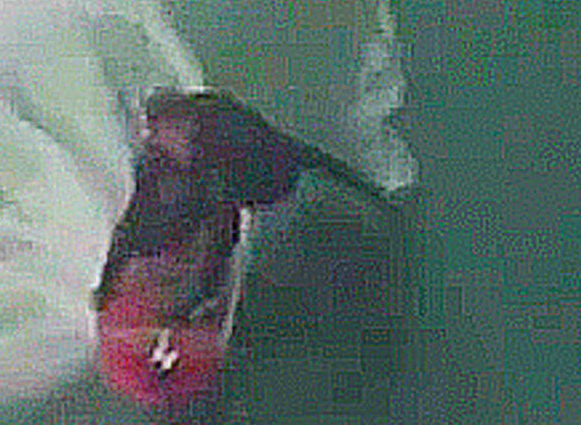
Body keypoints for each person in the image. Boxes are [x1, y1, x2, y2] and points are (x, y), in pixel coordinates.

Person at [91, 88, 385, 405]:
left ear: (183, 123)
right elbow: (130, 226)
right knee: (155, 188)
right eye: (150, 131)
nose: (153, 139)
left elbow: (223, 234)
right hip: (235, 181)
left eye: (158, 130)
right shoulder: (169, 152)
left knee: (229, 231)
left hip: (277, 195)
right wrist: (109, 281)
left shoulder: (218, 148)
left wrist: (192, 305)